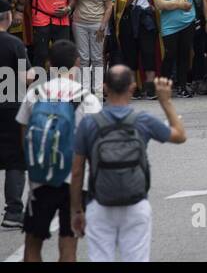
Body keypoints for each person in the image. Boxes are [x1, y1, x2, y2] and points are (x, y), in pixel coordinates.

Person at [69, 67, 187, 262]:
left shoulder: (89, 124)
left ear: (105, 88)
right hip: (135, 204)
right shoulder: (143, 121)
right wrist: (165, 102)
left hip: (100, 204)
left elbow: (76, 171)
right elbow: (180, 135)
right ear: (132, 88)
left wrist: (77, 210)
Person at [16, 38, 101, 261]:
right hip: (74, 181)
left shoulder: (35, 94)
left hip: (41, 178)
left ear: (48, 64)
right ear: (77, 62)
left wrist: (36, 165)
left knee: (33, 244)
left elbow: (25, 137)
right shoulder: (87, 98)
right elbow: (94, 147)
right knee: (68, 246)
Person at [153, 0, 202, 98]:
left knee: (184, 55)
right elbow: (160, 4)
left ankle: (182, 86)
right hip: (170, 26)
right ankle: (164, 87)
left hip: (188, 23)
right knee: (170, 55)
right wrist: (178, 4)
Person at [0, 1, 27, 231]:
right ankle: (13, 212)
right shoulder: (14, 44)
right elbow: (26, 76)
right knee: (16, 161)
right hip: (10, 106)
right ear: (7, 17)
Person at [69, 0, 114, 85]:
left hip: (97, 23)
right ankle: (84, 87)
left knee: (97, 58)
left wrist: (103, 26)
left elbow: (108, 7)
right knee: (83, 57)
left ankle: (98, 88)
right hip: (79, 23)